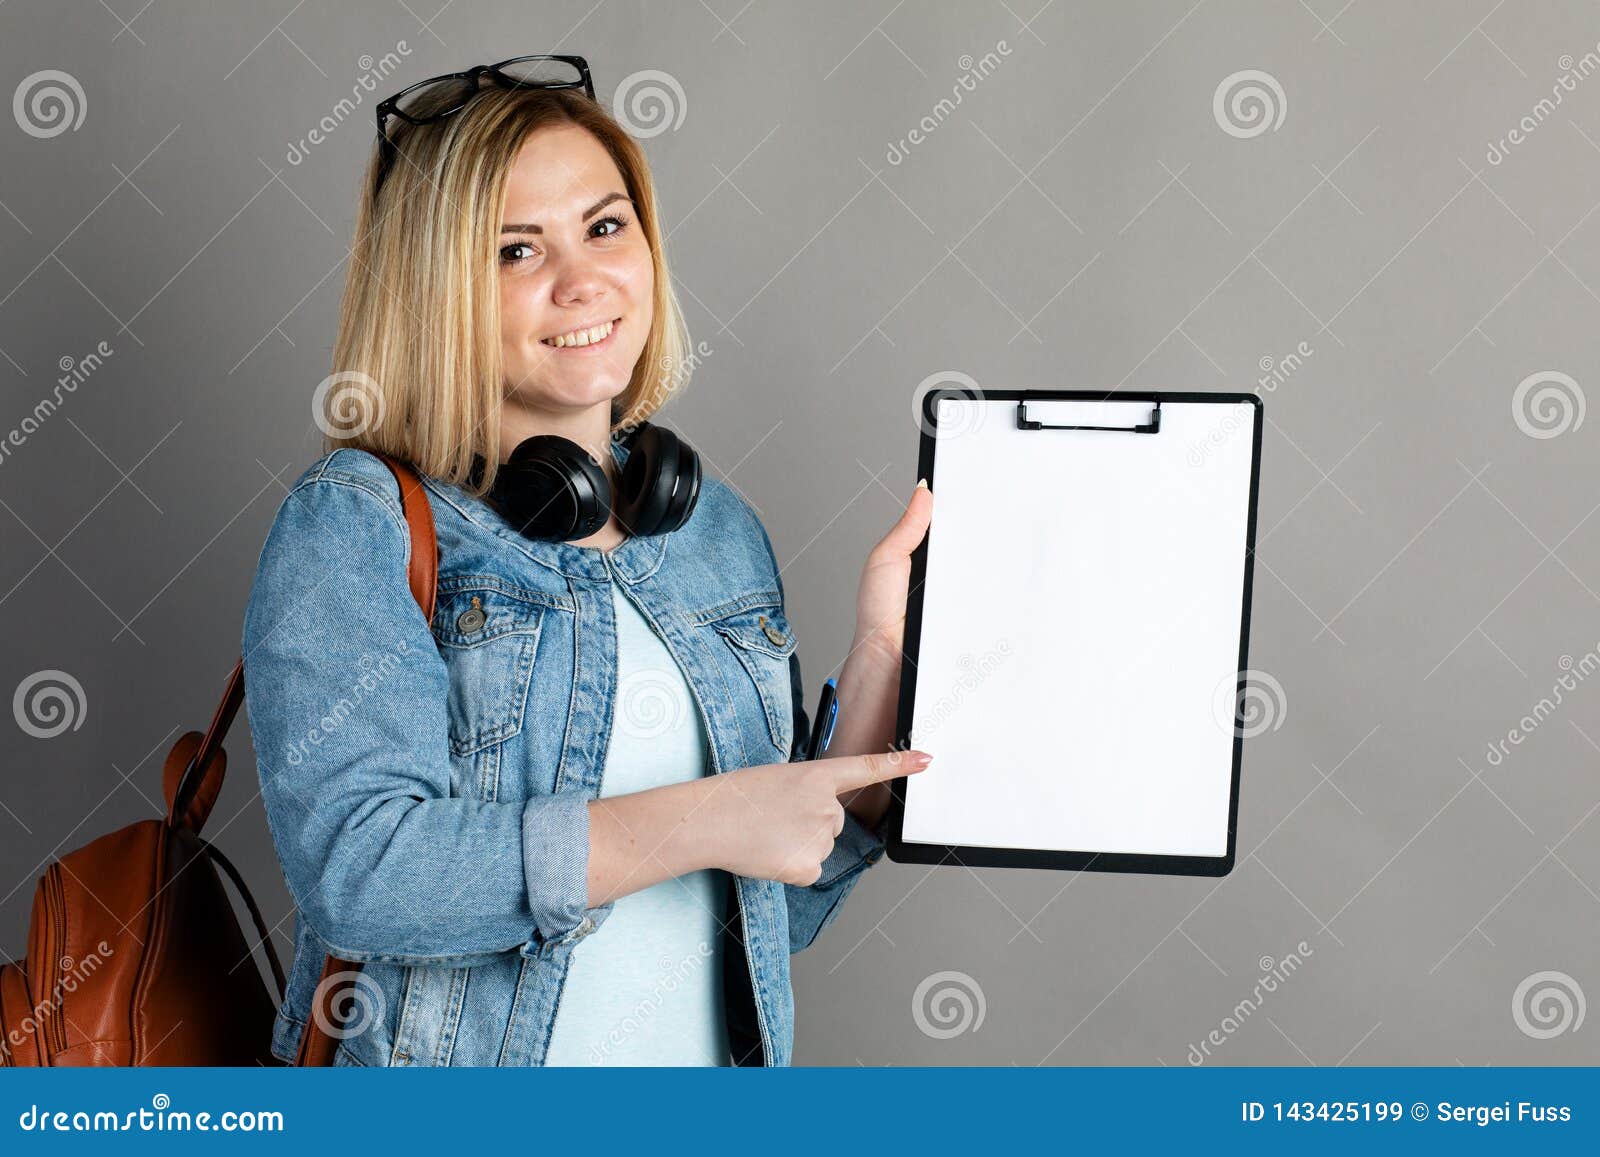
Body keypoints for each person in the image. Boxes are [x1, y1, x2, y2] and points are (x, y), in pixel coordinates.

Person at [241, 56, 934, 1067]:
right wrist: (700, 820)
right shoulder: (355, 522)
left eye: (605, 227)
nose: (582, 281)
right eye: (515, 249)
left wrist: (878, 660)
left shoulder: (711, 529)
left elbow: (763, 918)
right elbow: (362, 872)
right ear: (433, 292)